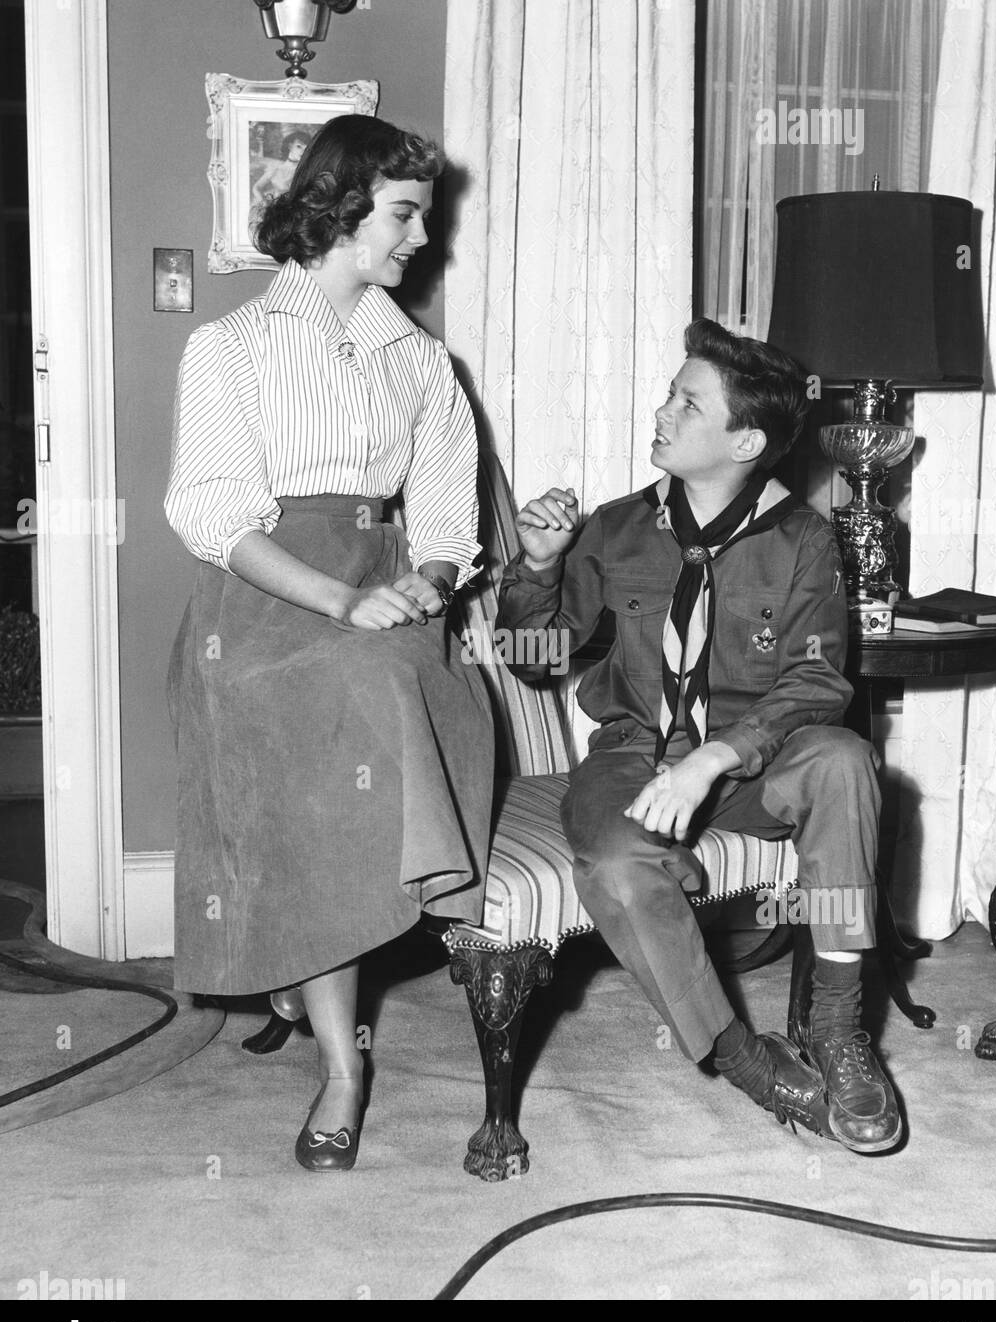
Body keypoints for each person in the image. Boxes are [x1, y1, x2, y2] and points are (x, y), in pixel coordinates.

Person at [165, 115, 493, 1172]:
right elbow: (216, 516)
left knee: (406, 692)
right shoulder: (228, 347)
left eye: (423, 218)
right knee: (334, 712)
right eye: (402, 215)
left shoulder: (425, 363)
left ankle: (311, 973)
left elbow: (446, 529)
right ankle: (343, 1063)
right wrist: (340, 605)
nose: (417, 240)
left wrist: (421, 581)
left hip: (385, 593)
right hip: (263, 607)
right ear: (340, 206)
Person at [496, 318, 902, 1154]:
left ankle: (837, 1023)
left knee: (845, 761)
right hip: (634, 753)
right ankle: (744, 1056)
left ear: (746, 439)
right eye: (669, 393)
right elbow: (535, 657)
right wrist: (537, 566)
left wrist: (720, 755)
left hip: (751, 766)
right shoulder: (613, 528)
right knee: (612, 861)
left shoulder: (804, 540)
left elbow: (820, 679)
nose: (662, 410)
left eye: (688, 401)